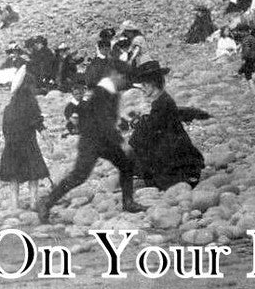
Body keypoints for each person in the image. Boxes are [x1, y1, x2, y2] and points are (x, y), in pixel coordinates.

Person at [37, 61, 143, 222]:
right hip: (91, 141)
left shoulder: (110, 91)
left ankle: (128, 201)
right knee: (79, 175)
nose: (125, 82)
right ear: (115, 74)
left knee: (127, 162)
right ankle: (46, 202)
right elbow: (104, 121)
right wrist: (121, 142)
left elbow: (108, 121)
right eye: (124, 78)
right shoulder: (102, 92)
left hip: (103, 140)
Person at [127, 61, 204, 190]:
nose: (142, 88)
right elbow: (155, 123)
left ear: (152, 83)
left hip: (175, 161)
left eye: (144, 84)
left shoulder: (161, 103)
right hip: (177, 155)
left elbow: (152, 130)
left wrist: (139, 124)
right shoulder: (163, 99)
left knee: (136, 141)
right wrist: (142, 121)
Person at [0, 67, 51, 209]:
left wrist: (9, 140)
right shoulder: (31, 105)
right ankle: (33, 202)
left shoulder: (9, 107)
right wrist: (48, 140)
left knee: (14, 176)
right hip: (28, 144)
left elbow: (5, 129)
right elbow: (38, 124)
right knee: (33, 175)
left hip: (11, 145)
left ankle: (14, 203)